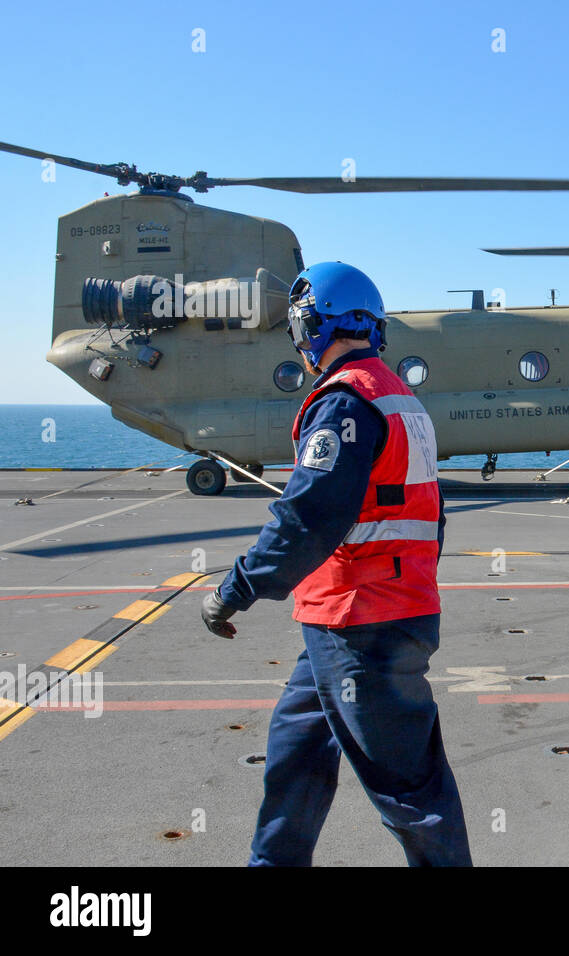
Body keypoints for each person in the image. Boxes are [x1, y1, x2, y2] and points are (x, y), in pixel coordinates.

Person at [199, 261, 472, 867]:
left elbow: (308, 518)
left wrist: (235, 588)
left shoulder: (345, 403)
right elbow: (432, 514)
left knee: (409, 796)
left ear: (312, 324)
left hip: (363, 627)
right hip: (346, 623)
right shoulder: (399, 399)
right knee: (294, 757)